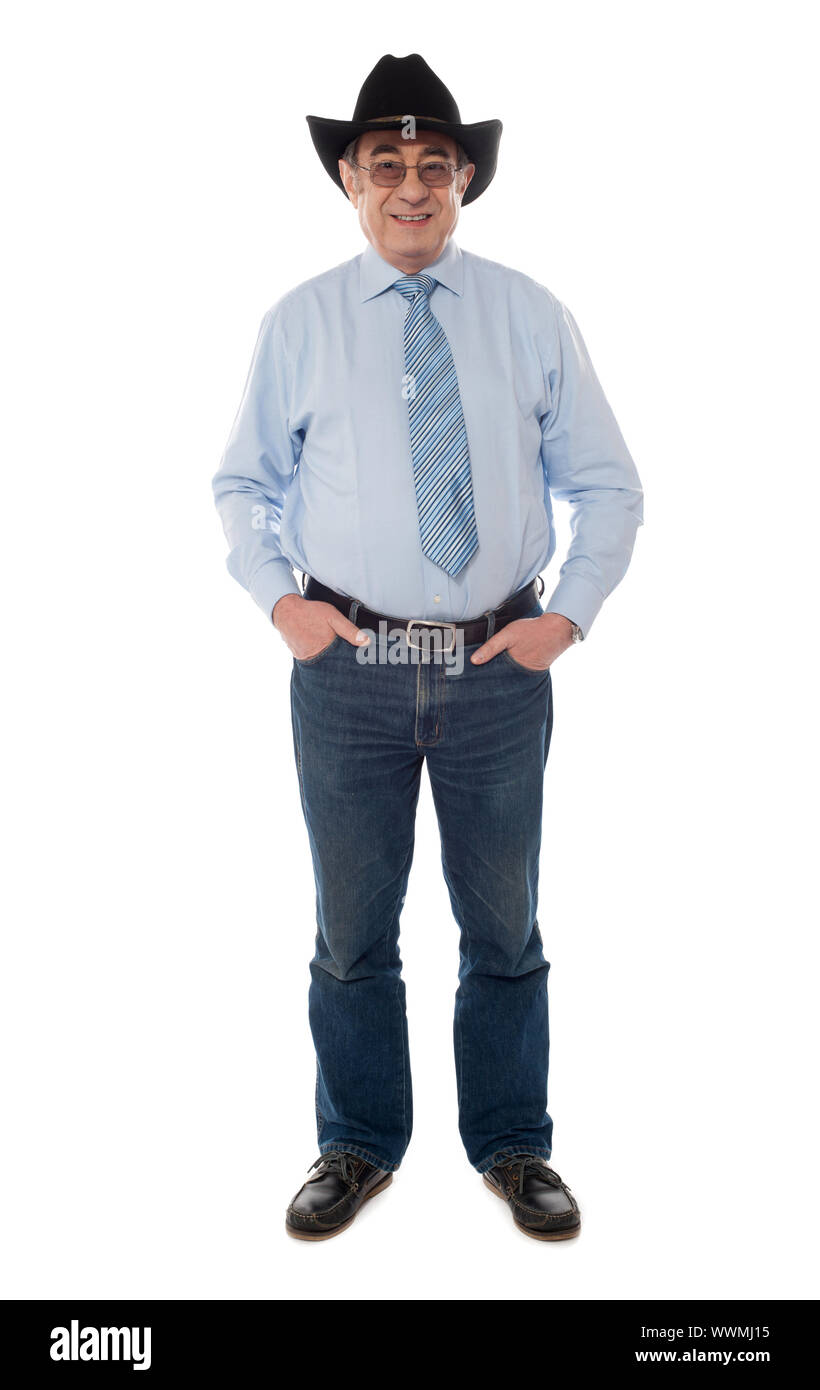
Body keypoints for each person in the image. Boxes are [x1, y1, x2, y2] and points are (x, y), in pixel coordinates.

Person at [212, 52, 644, 1242]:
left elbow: (605, 484)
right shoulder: (299, 323)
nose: (412, 187)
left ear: (464, 181)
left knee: (501, 923)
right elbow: (243, 483)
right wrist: (277, 601)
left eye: (434, 167)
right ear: (349, 179)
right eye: (386, 165)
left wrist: (569, 613)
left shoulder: (527, 314)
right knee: (351, 929)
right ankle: (356, 1141)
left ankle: (512, 1144)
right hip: (346, 670)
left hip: (496, 669)